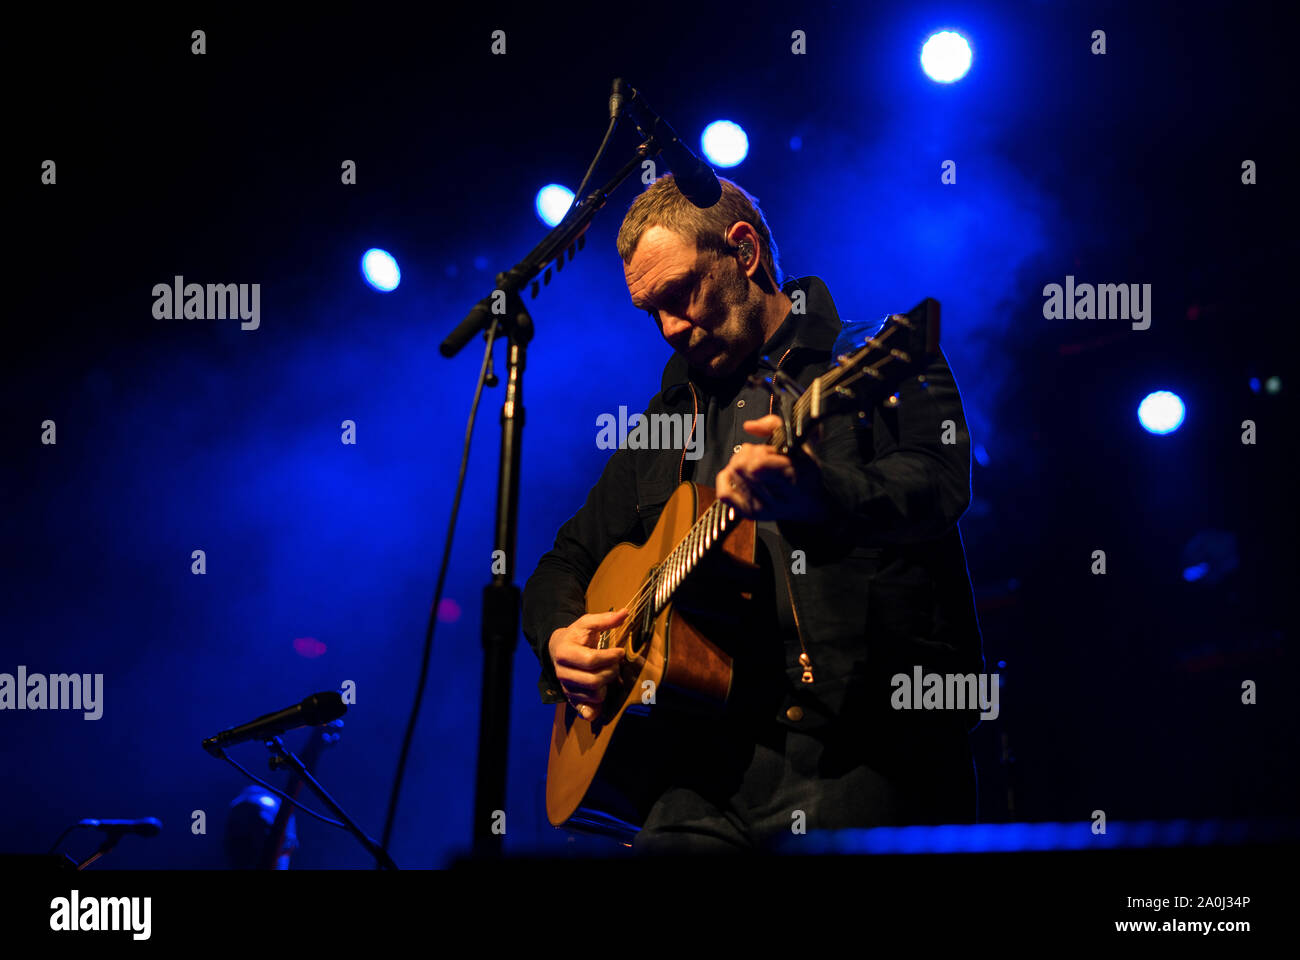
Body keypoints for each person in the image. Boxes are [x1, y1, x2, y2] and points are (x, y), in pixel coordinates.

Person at [521, 174, 984, 854]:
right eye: (652, 312)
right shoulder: (669, 421)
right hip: (697, 780)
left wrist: (818, 496)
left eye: (681, 295)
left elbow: (938, 487)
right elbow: (562, 562)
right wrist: (561, 638)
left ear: (745, 252)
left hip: (863, 752)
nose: (671, 328)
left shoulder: (872, 356)